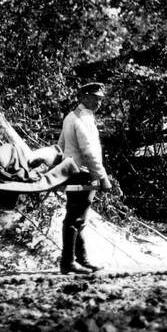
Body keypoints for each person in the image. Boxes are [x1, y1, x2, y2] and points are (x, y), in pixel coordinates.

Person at [57, 81, 113, 275]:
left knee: (78, 218)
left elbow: (61, 145)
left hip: (74, 171)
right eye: (95, 99)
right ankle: (68, 262)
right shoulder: (82, 119)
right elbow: (89, 152)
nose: (99, 103)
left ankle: (82, 260)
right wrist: (102, 177)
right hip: (82, 173)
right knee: (74, 218)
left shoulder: (71, 117)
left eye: (100, 99)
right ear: (83, 97)